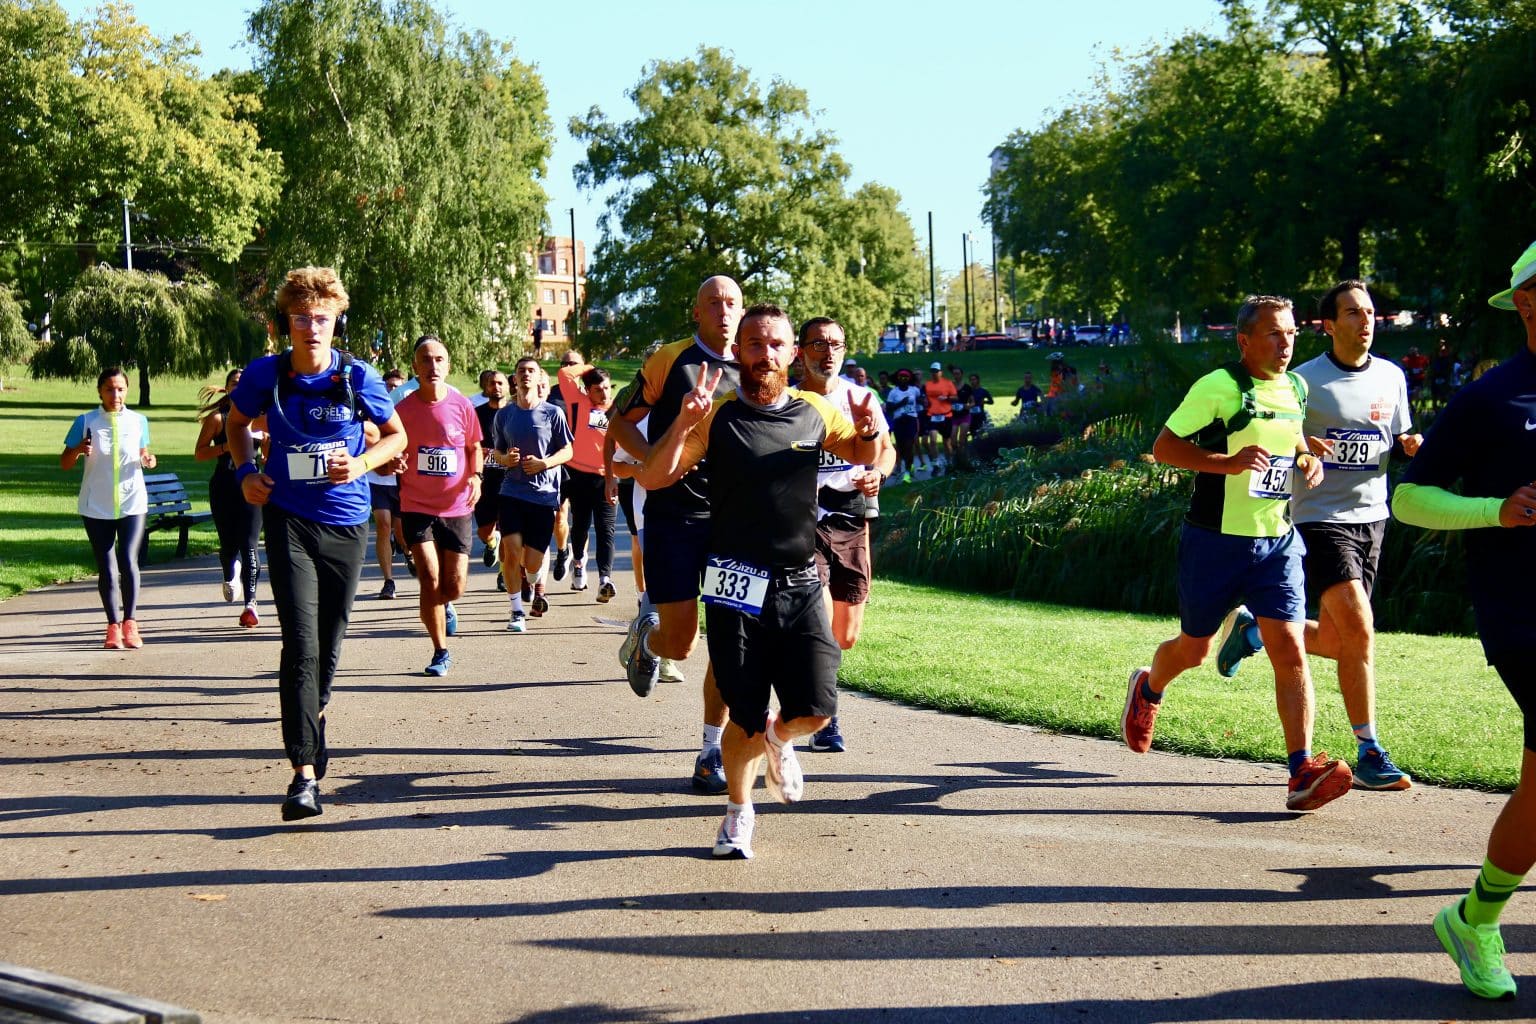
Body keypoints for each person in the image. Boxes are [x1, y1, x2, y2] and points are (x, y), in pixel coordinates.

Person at [635, 303, 886, 858]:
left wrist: (868, 437)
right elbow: (654, 475)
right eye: (753, 344)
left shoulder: (815, 410)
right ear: (739, 352)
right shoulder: (715, 415)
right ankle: (738, 812)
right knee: (741, 710)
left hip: (799, 578)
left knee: (817, 708)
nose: (764, 354)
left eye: (775, 344)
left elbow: (862, 453)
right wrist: (681, 418)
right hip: (734, 581)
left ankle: (779, 739)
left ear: (791, 352)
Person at [1120, 295, 1350, 812]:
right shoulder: (1218, 387)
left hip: (1277, 541)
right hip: (1214, 544)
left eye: (1291, 333)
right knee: (1194, 650)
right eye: (1273, 334)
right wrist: (1228, 463)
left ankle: (1300, 772)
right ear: (1244, 340)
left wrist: (1308, 457)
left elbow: (1289, 438)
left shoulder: (1295, 386)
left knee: (1289, 648)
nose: (1285, 343)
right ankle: (1148, 687)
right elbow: (1165, 448)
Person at [1393, 238, 1536, 1001]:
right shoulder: (1491, 399)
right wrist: (1498, 511)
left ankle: (1474, 920)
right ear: (1525, 302)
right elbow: (1408, 498)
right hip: (1523, 614)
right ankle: (1477, 921)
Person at [1224, 281, 1419, 790]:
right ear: (1328, 325)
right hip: (1318, 518)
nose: (1365, 320)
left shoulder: (1392, 377)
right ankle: (1370, 750)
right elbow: (1273, 436)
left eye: (1370, 311)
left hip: (1372, 517)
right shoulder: (1303, 383)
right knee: (1360, 628)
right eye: (1352, 312)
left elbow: (1394, 439)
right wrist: (1299, 452)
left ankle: (1253, 631)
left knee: (1339, 640)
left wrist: (1411, 444)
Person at [225, 265, 404, 821]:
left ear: (335, 320)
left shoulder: (357, 377)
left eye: (321, 318)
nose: (311, 327)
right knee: (300, 644)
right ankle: (302, 775)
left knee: (328, 645)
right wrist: (244, 473)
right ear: (287, 322)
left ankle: (313, 715)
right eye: (301, 317)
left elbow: (397, 435)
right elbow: (235, 426)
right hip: (288, 520)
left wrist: (362, 463)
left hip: (347, 523)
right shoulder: (265, 375)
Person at [609, 275, 744, 793]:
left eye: (732, 302)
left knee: (731, 641)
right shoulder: (670, 360)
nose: (724, 311)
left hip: (735, 522)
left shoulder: (756, 365)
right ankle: (648, 638)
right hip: (674, 515)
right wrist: (653, 464)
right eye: (713, 302)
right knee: (682, 645)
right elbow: (619, 424)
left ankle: (711, 747)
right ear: (697, 312)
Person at [794, 317, 896, 753]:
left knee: (846, 633)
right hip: (802, 518)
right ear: (800, 351)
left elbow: (887, 451)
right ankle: (823, 717)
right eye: (818, 343)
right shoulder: (789, 401)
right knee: (813, 619)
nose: (828, 351)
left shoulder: (861, 397)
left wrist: (877, 473)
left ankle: (814, 696)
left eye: (836, 343)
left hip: (852, 517)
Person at [393, 336, 483, 676]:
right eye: (425, 360)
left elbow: (475, 448)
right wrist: (394, 464)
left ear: (448, 365)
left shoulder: (462, 406)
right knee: (429, 578)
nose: (433, 366)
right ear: (415, 367)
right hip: (416, 503)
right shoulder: (402, 410)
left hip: (457, 505)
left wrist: (476, 477)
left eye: (439, 359)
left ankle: (446, 605)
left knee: (453, 586)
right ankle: (440, 651)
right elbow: (391, 450)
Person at [60, 367, 158, 650]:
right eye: (109, 389)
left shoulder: (139, 421)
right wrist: (77, 450)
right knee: (106, 565)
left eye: (120, 389)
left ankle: (131, 623)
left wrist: (149, 460)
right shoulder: (86, 421)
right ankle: (112, 627)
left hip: (132, 502)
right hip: (96, 505)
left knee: (128, 559)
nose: (115, 394)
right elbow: (65, 462)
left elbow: (143, 454)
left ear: (127, 391)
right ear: (100, 391)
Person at [493, 357, 573, 632]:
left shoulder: (553, 413)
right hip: (511, 491)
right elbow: (497, 452)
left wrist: (544, 463)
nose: (525, 375)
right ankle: (516, 612)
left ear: (540, 378)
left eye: (531, 371)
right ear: (514, 379)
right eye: (520, 371)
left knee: (532, 561)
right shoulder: (504, 414)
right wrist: (506, 459)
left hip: (543, 494)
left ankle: (534, 581)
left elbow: (568, 451)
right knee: (512, 551)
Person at [194, 368, 264, 627]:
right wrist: (228, 446)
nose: (239, 386)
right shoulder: (217, 419)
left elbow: (269, 447)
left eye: (244, 382)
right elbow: (199, 453)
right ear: (227, 388)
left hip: (253, 486)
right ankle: (229, 571)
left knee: (250, 544)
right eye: (235, 383)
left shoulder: (259, 418)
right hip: (224, 485)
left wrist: (266, 448)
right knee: (228, 546)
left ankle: (251, 604)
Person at [558, 357, 618, 600]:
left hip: (606, 478)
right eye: (598, 389)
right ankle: (579, 563)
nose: (604, 394)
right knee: (581, 526)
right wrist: (591, 369)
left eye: (607, 388)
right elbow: (564, 374)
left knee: (607, 530)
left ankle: (605, 579)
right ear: (587, 390)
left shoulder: (617, 408)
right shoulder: (578, 402)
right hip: (578, 475)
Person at [370, 368, 413, 599]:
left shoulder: (406, 411)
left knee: (401, 530)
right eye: (389, 386)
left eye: (397, 387)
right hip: (377, 479)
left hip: (400, 480)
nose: (392, 390)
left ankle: (407, 551)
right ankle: (389, 581)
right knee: (384, 525)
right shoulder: (371, 410)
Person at [473, 370, 510, 587]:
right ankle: (490, 542)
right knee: (484, 529)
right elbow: (469, 444)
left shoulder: (515, 412)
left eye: (500, 383)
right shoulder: (476, 413)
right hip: (484, 480)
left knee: (507, 529)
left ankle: (504, 574)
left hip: (509, 480)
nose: (495, 387)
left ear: (507, 386)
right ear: (485, 388)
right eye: (491, 383)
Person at [884, 368, 923, 482]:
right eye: (901, 377)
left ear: (909, 379)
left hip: (911, 419)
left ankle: (907, 472)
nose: (903, 379)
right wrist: (901, 403)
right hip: (899, 420)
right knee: (901, 447)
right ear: (898, 379)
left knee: (909, 445)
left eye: (906, 377)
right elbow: (889, 408)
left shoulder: (914, 390)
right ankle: (908, 467)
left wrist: (924, 401)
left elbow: (921, 400)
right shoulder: (894, 392)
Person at [922, 361, 958, 473]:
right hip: (932, 415)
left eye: (936, 371)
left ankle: (950, 462)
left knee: (946, 442)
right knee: (932, 440)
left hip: (946, 415)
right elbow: (924, 398)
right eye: (932, 371)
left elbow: (955, 398)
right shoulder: (927, 384)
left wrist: (946, 398)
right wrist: (925, 401)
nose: (934, 373)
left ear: (941, 372)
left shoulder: (948, 383)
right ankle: (936, 463)